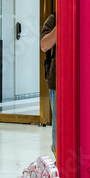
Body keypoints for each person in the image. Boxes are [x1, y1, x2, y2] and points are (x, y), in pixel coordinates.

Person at [40, 13, 56, 154]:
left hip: (85, 81)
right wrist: (59, 27)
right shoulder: (53, 19)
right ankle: (59, 156)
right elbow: (44, 45)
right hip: (57, 81)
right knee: (59, 122)